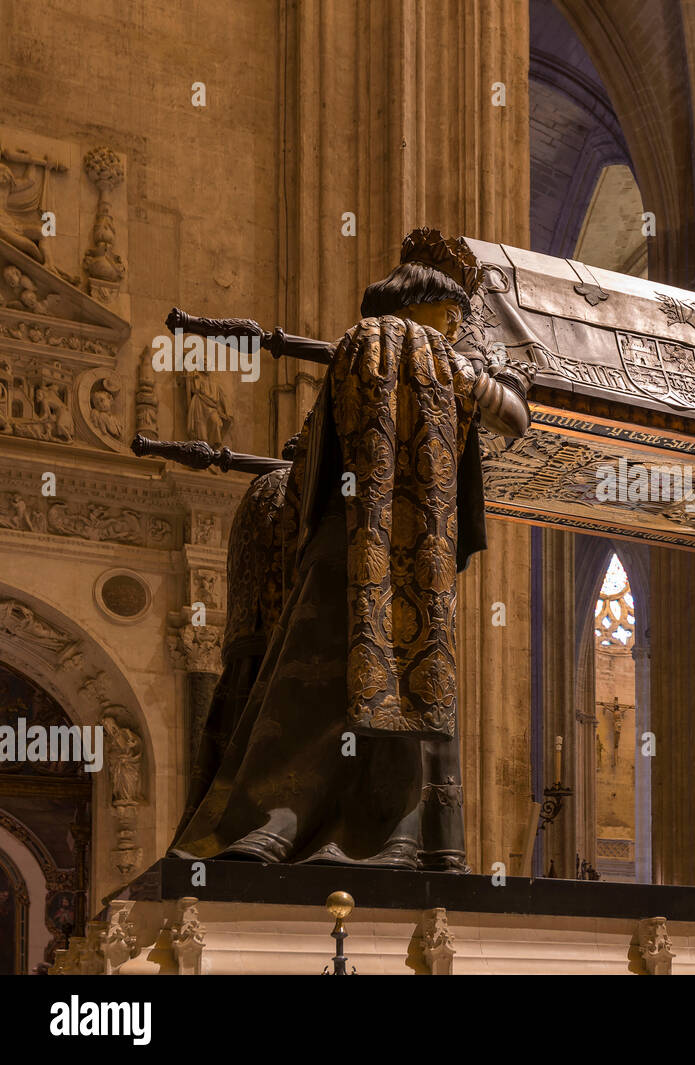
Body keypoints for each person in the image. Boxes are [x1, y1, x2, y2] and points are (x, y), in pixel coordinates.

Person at [172, 228, 533, 871]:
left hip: (361, 545)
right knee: (359, 681)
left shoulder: (375, 354)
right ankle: (355, 831)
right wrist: (471, 378)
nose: (457, 328)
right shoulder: (399, 346)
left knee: (334, 684)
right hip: (393, 552)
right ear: (427, 309)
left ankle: (302, 825)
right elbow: (515, 417)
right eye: (452, 316)